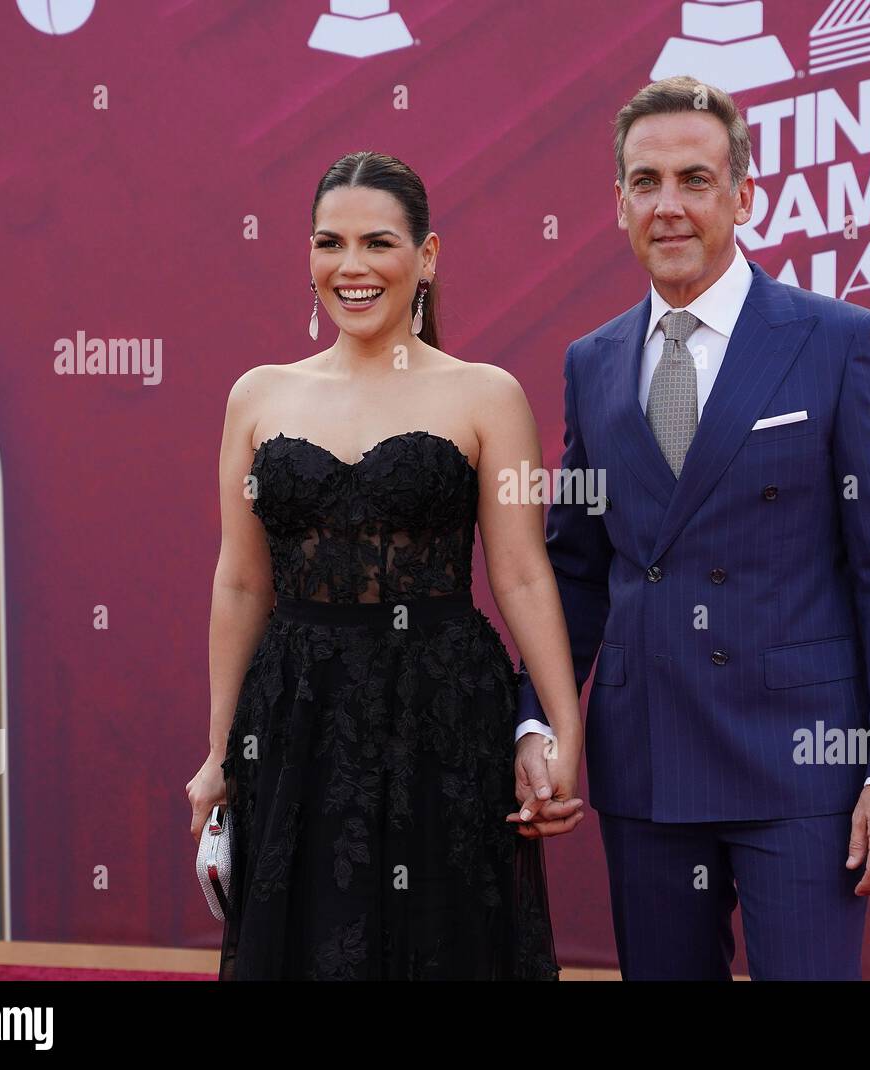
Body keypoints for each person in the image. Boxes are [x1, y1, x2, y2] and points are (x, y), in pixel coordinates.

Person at [510, 76, 870, 980]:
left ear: (744, 196)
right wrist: (535, 722)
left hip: (803, 768)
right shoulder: (591, 364)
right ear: (619, 202)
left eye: (695, 180)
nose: (668, 206)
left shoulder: (840, 342)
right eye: (646, 182)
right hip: (650, 761)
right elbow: (577, 571)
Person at [185, 151, 583, 980]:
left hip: (444, 715)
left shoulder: (488, 395)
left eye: (379, 243)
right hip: (294, 717)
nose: (352, 266)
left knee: (441, 941)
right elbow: (241, 581)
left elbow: (520, 575)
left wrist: (561, 728)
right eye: (330, 243)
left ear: (427, 257)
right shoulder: (256, 396)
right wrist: (220, 749)